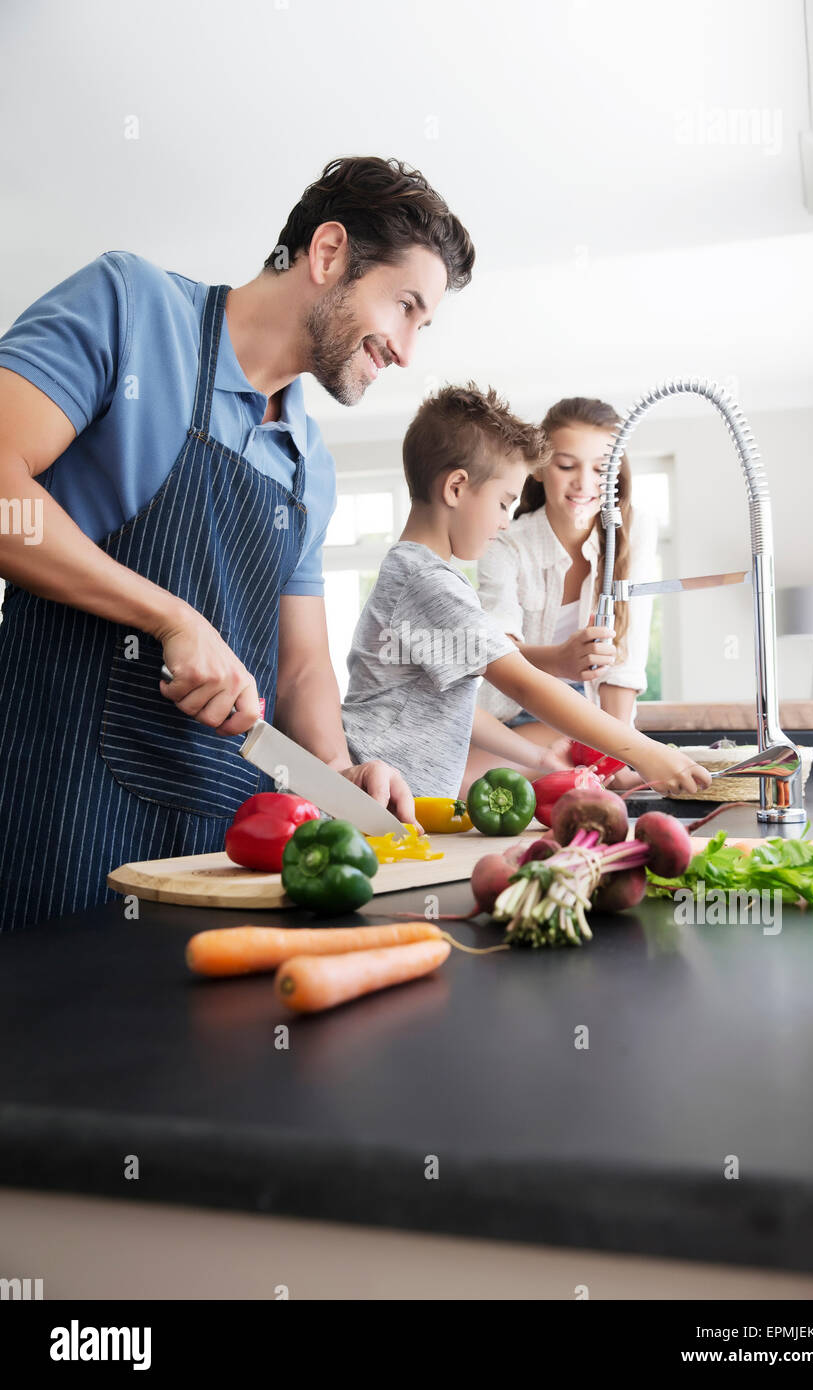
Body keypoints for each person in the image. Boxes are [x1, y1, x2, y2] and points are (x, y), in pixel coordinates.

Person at [0, 156, 474, 928]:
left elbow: (301, 665)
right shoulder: (131, 307)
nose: (408, 350)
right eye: (405, 307)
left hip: (222, 857)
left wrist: (339, 773)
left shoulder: (307, 463)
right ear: (327, 255)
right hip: (56, 813)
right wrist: (172, 620)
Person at [340, 383, 712, 801]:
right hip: (374, 798)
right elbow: (525, 685)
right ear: (456, 488)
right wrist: (646, 752)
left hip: (391, 797)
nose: (505, 522)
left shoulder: (418, 574)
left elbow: (462, 713)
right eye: (503, 503)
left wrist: (539, 758)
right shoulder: (429, 584)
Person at [463, 396, 657, 795]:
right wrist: (560, 661)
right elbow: (494, 647)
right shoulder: (507, 541)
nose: (584, 483)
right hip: (514, 714)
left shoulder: (632, 532)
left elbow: (626, 660)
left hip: (597, 721)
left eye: (602, 469)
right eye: (566, 465)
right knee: (453, 788)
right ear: (538, 469)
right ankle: (571, 773)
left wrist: (616, 753)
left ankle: (577, 772)